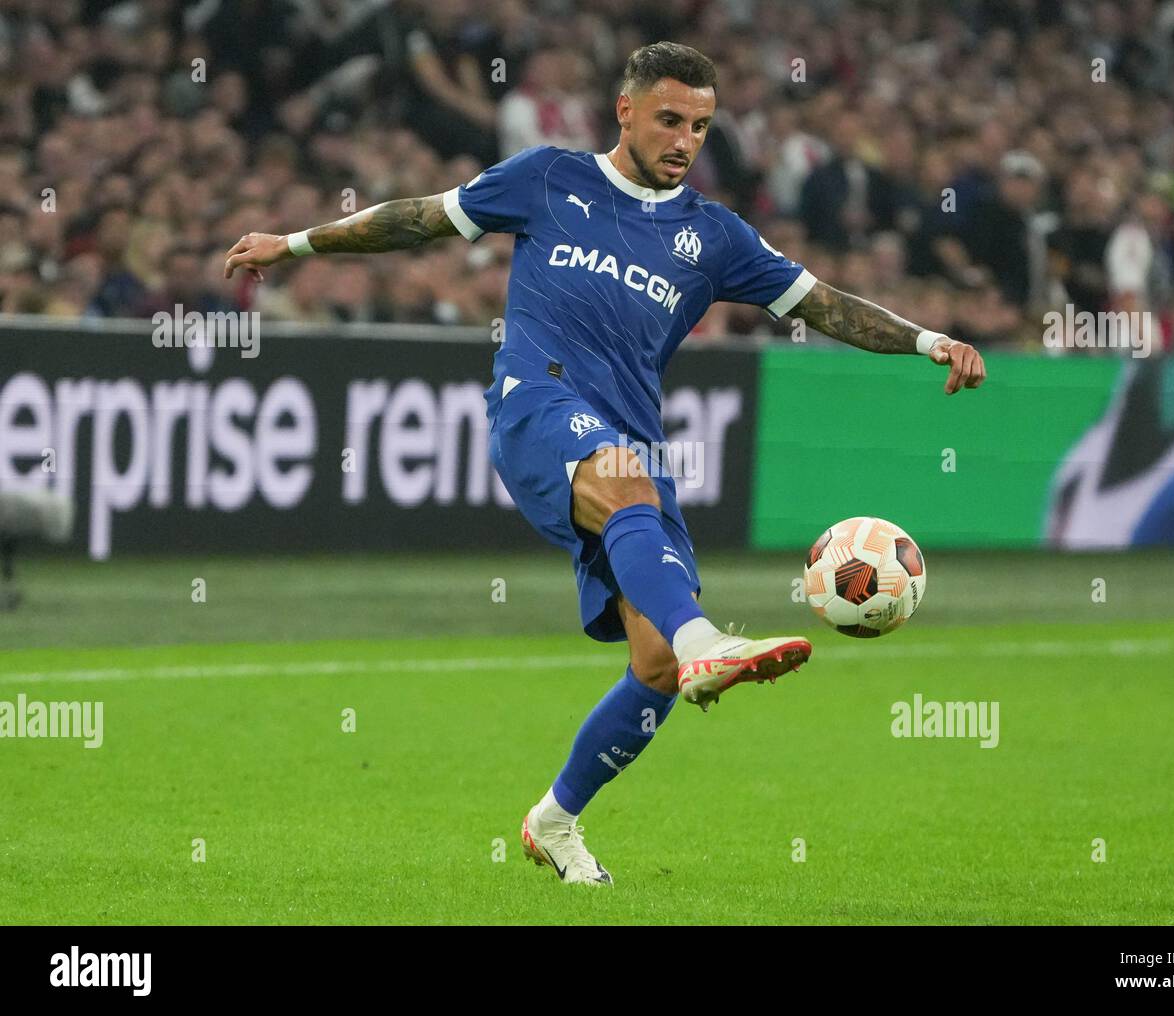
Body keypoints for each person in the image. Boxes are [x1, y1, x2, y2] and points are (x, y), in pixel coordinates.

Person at [223, 42, 986, 886]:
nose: (684, 140)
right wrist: (292, 244)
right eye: (669, 120)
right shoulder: (548, 179)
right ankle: (708, 642)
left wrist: (929, 339)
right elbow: (415, 218)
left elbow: (825, 305)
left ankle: (556, 819)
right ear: (624, 111)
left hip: (629, 440)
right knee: (658, 573)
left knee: (653, 666)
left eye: (700, 126)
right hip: (536, 406)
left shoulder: (714, 236)